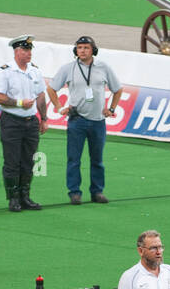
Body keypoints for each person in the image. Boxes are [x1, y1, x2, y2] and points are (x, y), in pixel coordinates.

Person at [47, 36, 122, 205]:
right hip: (77, 120)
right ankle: (74, 192)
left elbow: (118, 89)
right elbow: (51, 88)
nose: (82, 50)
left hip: (98, 121)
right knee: (74, 159)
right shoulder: (68, 68)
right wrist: (60, 108)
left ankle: (97, 192)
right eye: (79, 47)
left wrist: (111, 109)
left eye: (86, 47)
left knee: (97, 159)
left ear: (93, 50)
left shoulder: (104, 67)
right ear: (75, 51)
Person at [0, 35, 47, 211]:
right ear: (16, 52)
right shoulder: (5, 71)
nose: (28, 53)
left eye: (30, 50)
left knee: (28, 161)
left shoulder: (35, 71)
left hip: (30, 122)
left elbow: (40, 96)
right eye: (25, 50)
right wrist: (19, 103)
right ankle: (13, 198)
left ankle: (25, 196)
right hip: (12, 121)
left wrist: (43, 118)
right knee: (12, 161)